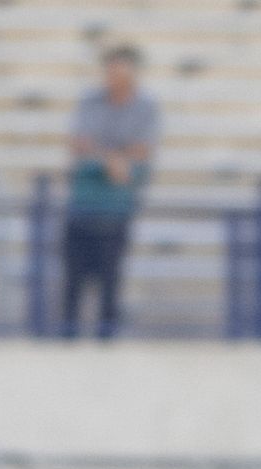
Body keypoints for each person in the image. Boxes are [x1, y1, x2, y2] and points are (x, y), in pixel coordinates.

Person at [63, 45, 160, 339]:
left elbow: (142, 153)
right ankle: (67, 339)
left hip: (117, 210)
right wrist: (115, 160)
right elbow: (80, 145)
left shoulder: (145, 107)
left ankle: (106, 340)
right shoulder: (90, 102)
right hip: (83, 207)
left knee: (110, 282)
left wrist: (102, 156)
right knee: (73, 281)